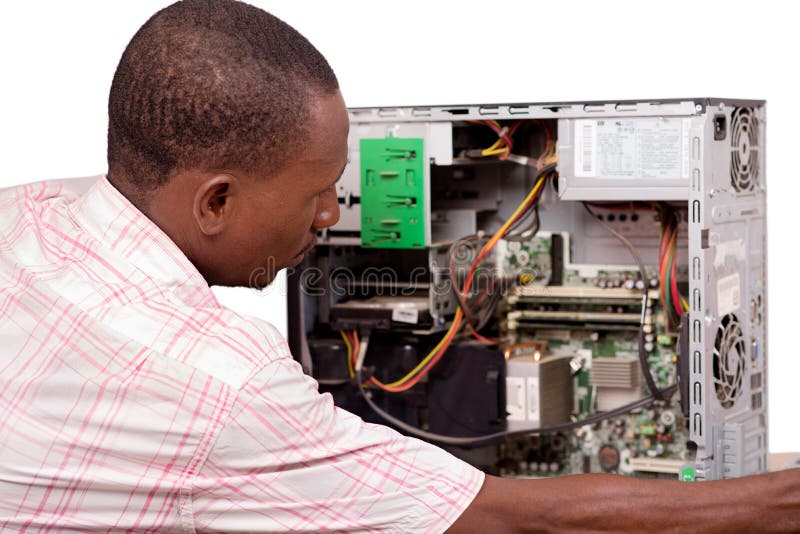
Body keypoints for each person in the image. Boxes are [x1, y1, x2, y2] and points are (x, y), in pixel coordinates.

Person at [0, 0, 796, 531]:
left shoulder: (21, 213)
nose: (332, 215)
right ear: (216, 201)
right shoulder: (221, 385)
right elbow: (514, 521)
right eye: (317, 192)